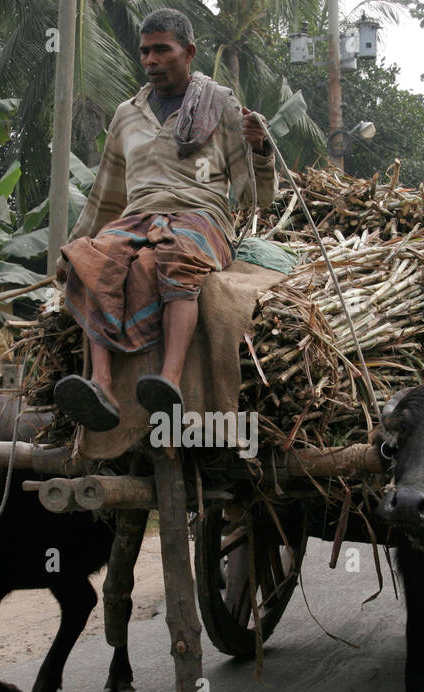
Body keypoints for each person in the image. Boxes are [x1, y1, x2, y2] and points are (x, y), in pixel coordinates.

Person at [53, 7, 275, 431]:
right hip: (136, 217)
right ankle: (100, 384)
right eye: (145, 52)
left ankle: (168, 379)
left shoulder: (221, 107)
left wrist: (260, 149)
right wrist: (72, 251)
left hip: (201, 215)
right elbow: (105, 196)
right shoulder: (126, 115)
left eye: (162, 50)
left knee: (177, 255)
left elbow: (253, 195)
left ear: (188, 52)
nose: (151, 61)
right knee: (89, 258)